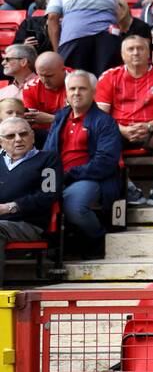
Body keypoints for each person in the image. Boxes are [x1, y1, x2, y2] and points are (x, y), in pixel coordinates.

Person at [43, 69, 122, 259]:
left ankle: (96, 240)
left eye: (82, 89)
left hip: (91, 178)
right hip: (57, 177)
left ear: (94, 92)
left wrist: (69, 174)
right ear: (66, 93)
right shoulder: (60, 118)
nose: (76, 93)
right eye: (72, 89)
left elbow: (105, 163)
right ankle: (50, 246)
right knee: (30, 198)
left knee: (75, 208)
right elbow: (47, 152)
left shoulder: (105, 122)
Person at [94, 33, 153, 208]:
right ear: (122, 54)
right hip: (119, 131)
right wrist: (122, 129)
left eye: (140, 48)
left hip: (152, 131)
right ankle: (129, 187)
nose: (135, 53)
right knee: (101, 131)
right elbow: (101, 115)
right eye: (130, 49)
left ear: (148, 53)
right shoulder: (108, 77)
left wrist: (150, 126)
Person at [44, 0, 119, 77]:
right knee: (106, 80)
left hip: (74, 37)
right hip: (108, 38)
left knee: (74, 81)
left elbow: (52, 18)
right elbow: (119, 16)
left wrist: (57, 50)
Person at [0, 116, 57, 244]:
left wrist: (9, 207)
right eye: (10, 136)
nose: (18, 139)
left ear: (32, 136)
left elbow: (49, 195)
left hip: (28, 223)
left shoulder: (48, 160)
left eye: (23, 134)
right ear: (1, 142)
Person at [20, 50, 66, 144]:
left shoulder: (78, 82)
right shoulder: (30, 87)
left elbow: (84, 120)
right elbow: (32, 122)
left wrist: (52, 119)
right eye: (40, 75)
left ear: (63, 70)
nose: (44, 80)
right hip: (45, 136)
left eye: (49, 76)